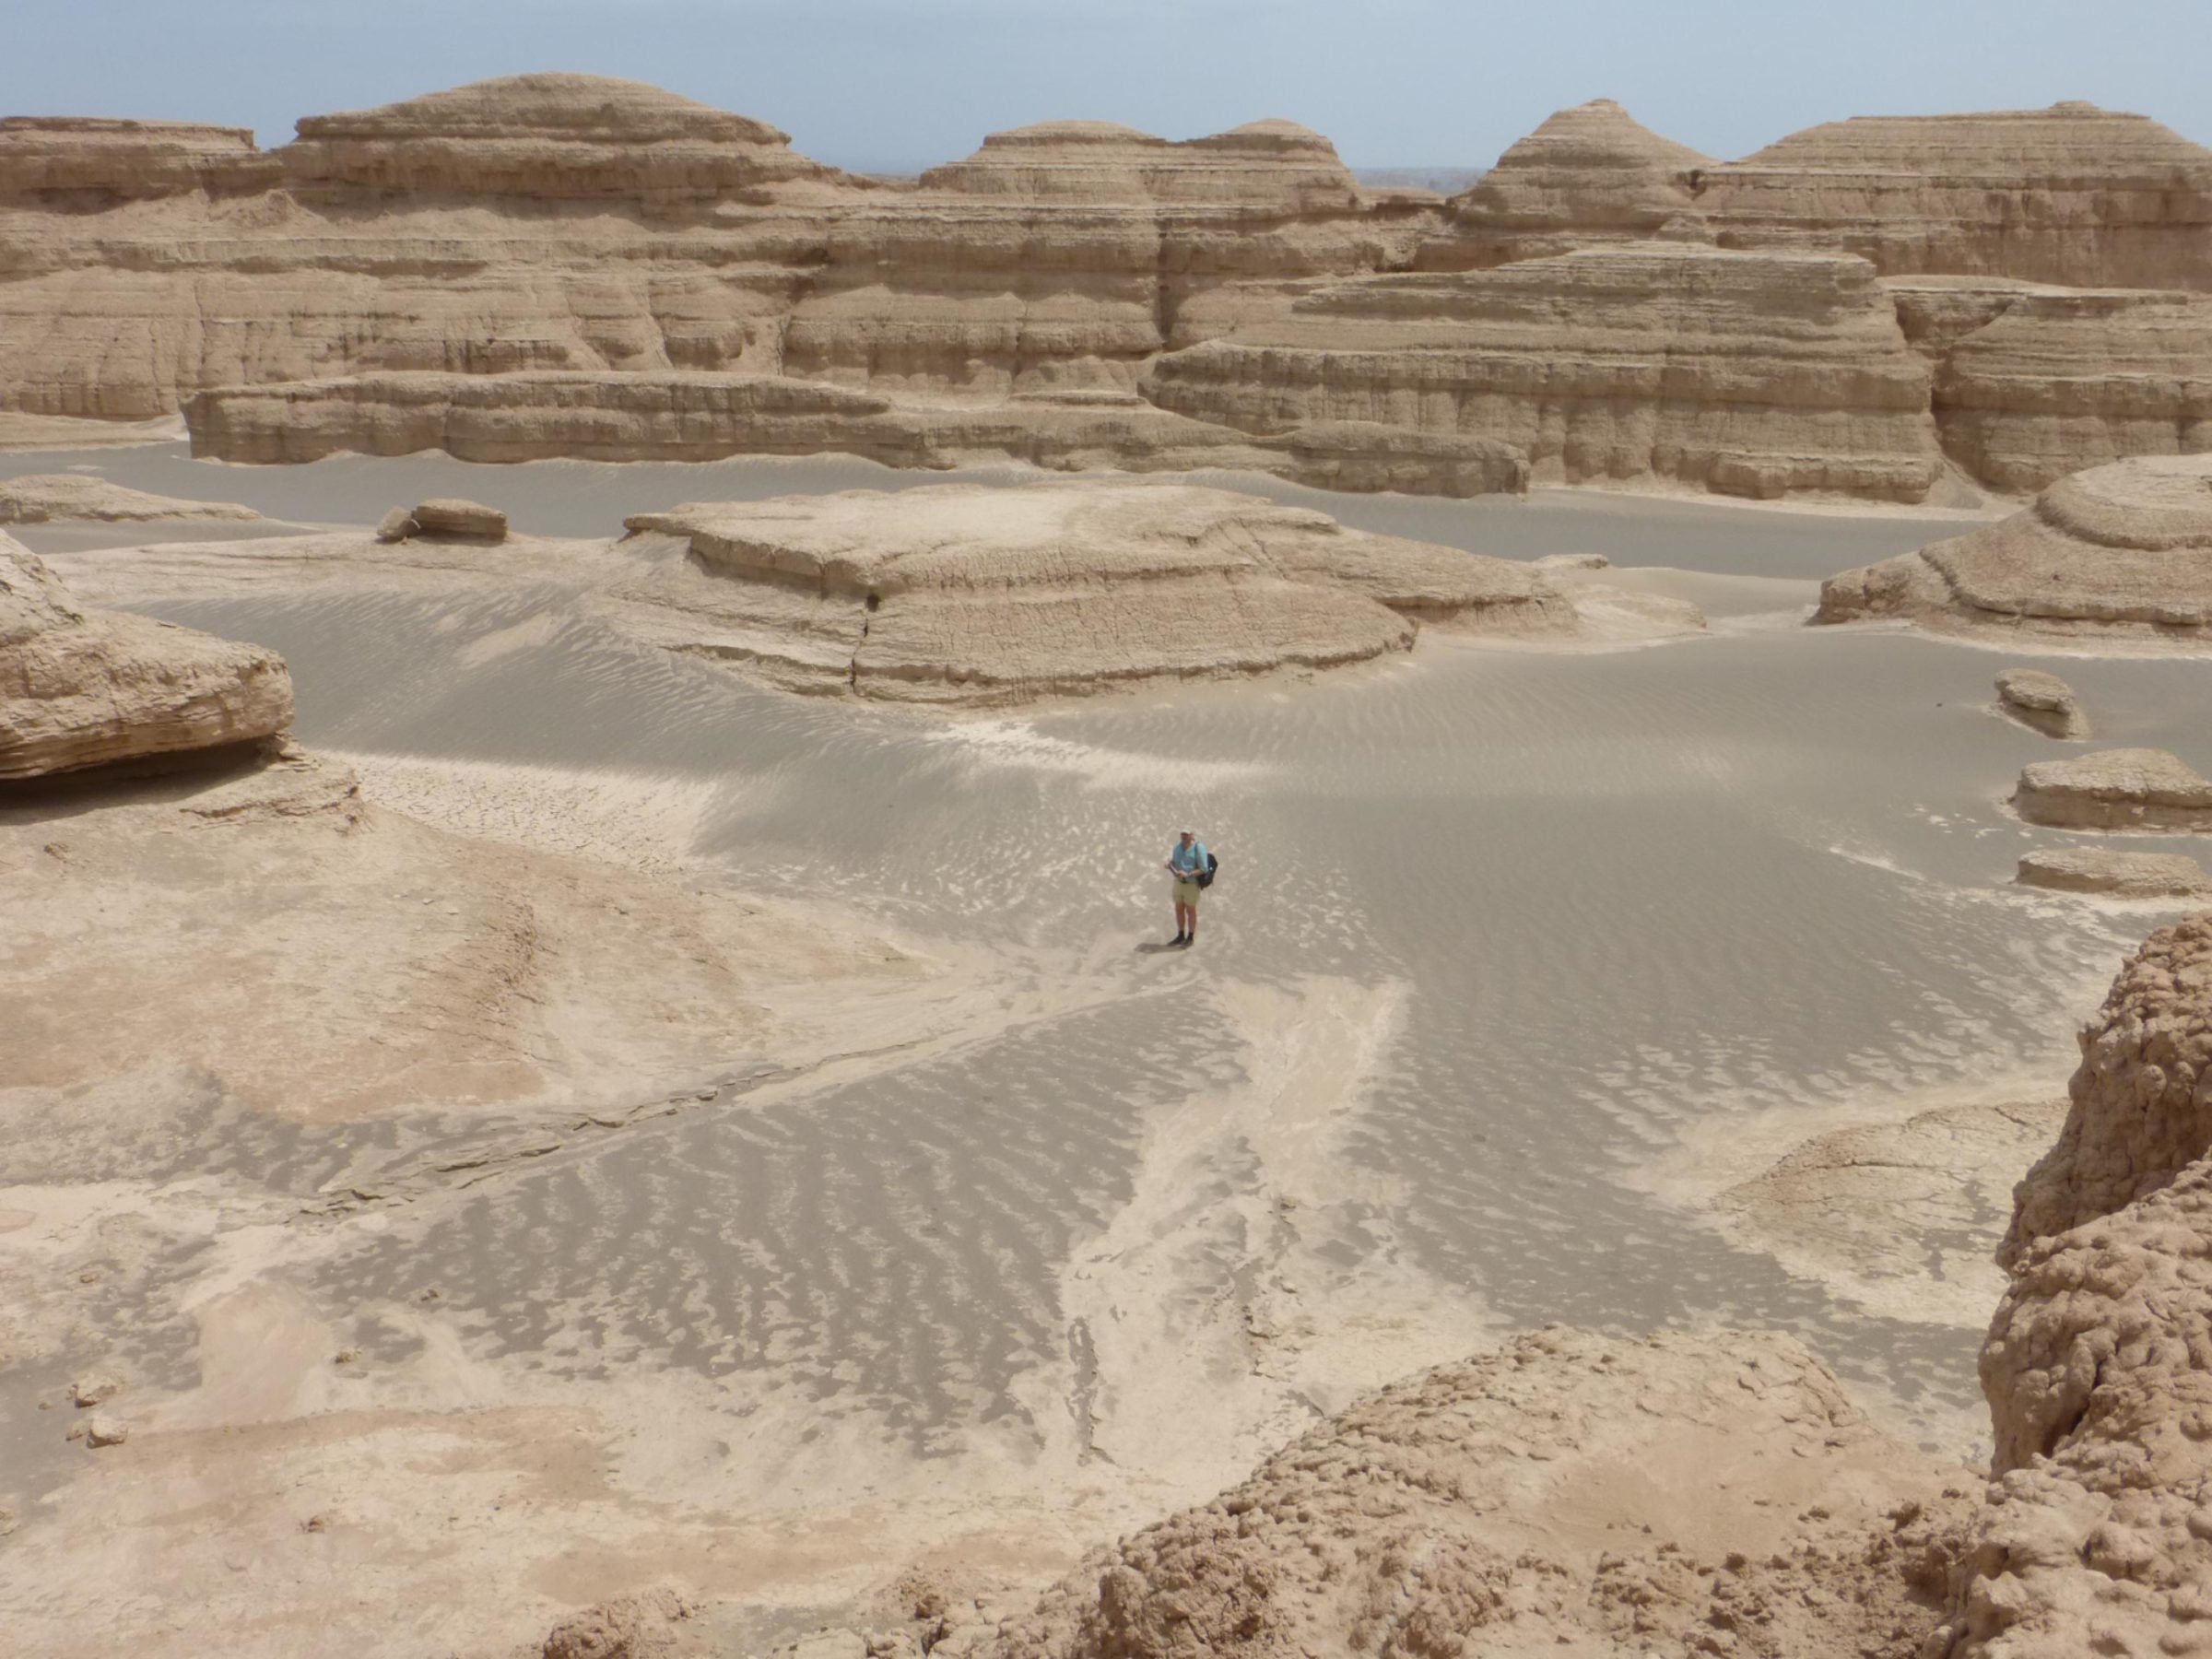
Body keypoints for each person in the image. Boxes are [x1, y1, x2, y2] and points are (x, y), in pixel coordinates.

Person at [1163, 829, 1209, 948]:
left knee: (1190, 910)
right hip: (1178, 883)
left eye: (1186, 834)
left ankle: (1190, 937)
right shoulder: (1177, 847)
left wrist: (1188, 874)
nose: (1183, 836)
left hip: (1191, 884)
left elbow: (1204, 868)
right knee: (1178, 909)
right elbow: (1175, 862)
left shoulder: (1199, 848)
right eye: (1182, 834)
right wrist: (1170, 864)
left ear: (1192, 835)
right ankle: (1180, 935)